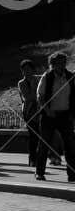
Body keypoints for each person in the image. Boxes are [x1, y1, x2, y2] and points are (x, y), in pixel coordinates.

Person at [32, 52, 74, 182]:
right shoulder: (47, 76)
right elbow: (40, 96)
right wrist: (47, 110)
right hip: (49, 115)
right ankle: (39, 172)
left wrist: (72, 113)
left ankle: (72, 174)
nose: (62, 65)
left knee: (70, 146)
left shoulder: (70, 76)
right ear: (53, 64)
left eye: (63, 62)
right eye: (59, 63)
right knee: (44, 145)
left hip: (65, 115)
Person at [17, 58, 41, 169]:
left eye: (28, 69)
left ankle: (48, 157)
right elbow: (28, 97)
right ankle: (32, 159)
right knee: (33, 136)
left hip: (40, 111)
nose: (26, 71)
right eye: (24, 69)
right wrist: (33, 84)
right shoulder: (21, 83)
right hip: (29, 112)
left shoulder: (40, 79)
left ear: (33, 69)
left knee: (44, 135)